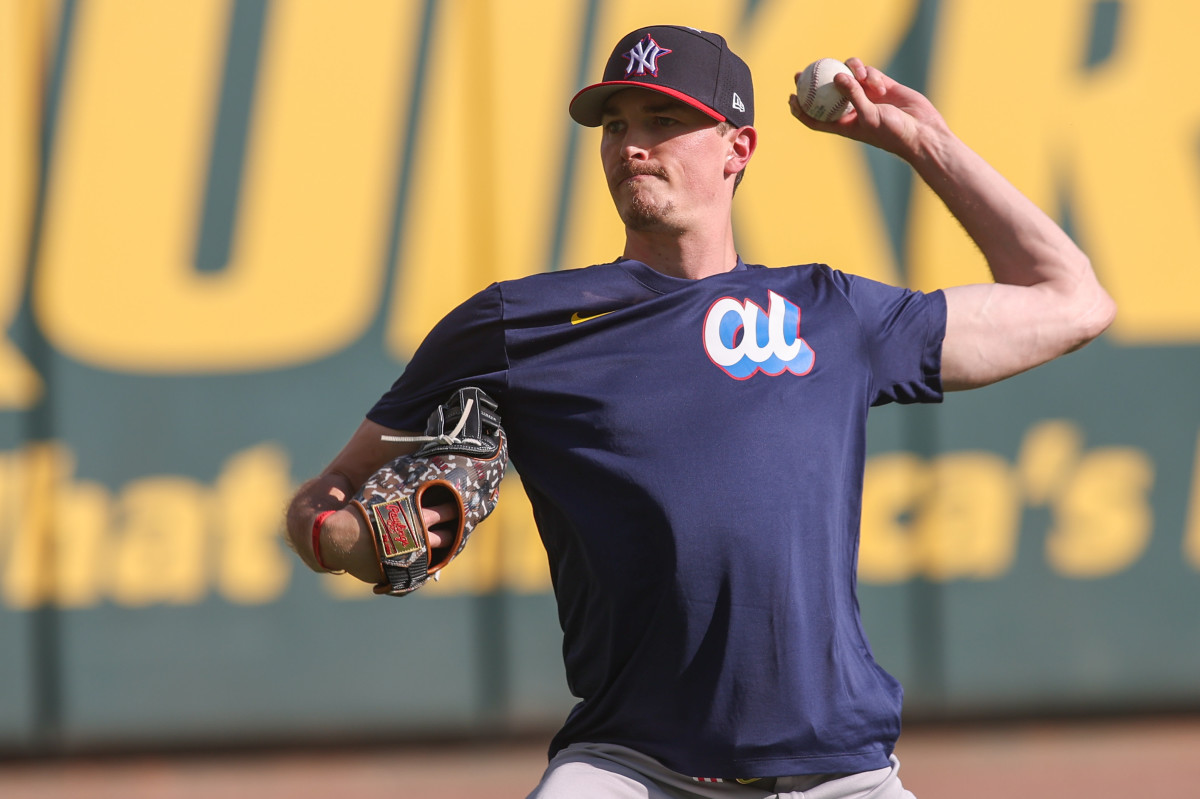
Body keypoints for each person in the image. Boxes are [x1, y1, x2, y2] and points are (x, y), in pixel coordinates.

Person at [285, 24, 1115, 799]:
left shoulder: (831, 314)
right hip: (630, 767)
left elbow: (1073, 300)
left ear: (737, 148)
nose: (631, 144)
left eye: (663, 119)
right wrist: (341, 535)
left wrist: (923, 142)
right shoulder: (516, 324)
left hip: (837, 772)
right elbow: (327, 492)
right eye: (614, 124)